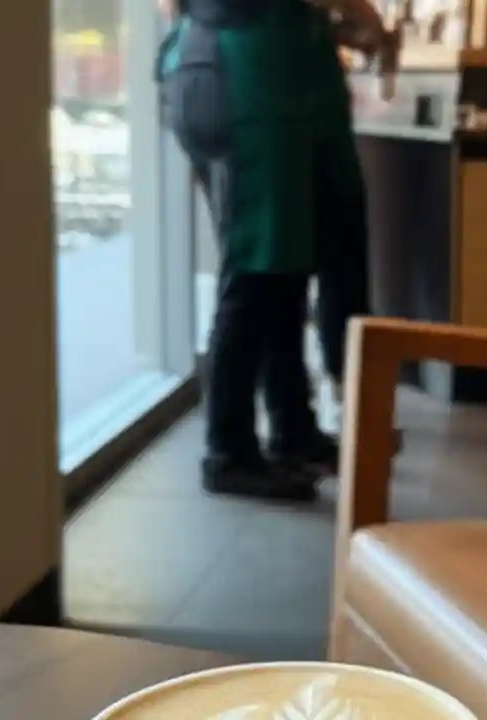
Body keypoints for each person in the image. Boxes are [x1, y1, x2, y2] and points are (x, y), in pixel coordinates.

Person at [157, 0, 390, 500]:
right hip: (245, 76)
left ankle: (293, 430)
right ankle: (229, 452)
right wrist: (361, 15)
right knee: (259, 267)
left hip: (280, 72)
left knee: (289, 262)